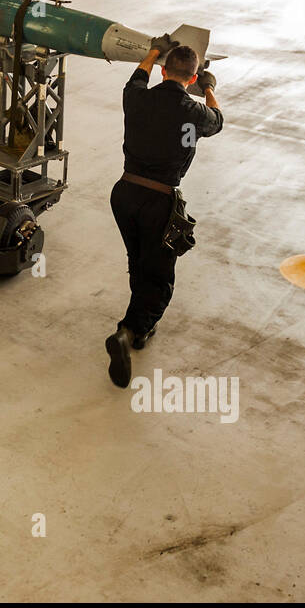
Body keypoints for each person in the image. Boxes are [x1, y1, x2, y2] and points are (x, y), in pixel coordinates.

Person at [105, 41, 223, 388]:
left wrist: (154, 51)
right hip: (159, 200)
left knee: (139, 259)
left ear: (162, 70)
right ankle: (128, 332)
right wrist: (210, 88)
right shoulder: (194, 111)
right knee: (158, 275)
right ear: (194, 78)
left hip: (124, 193)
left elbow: (135, 80)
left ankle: (140, 329)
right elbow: (217, 120)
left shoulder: (138, 97)